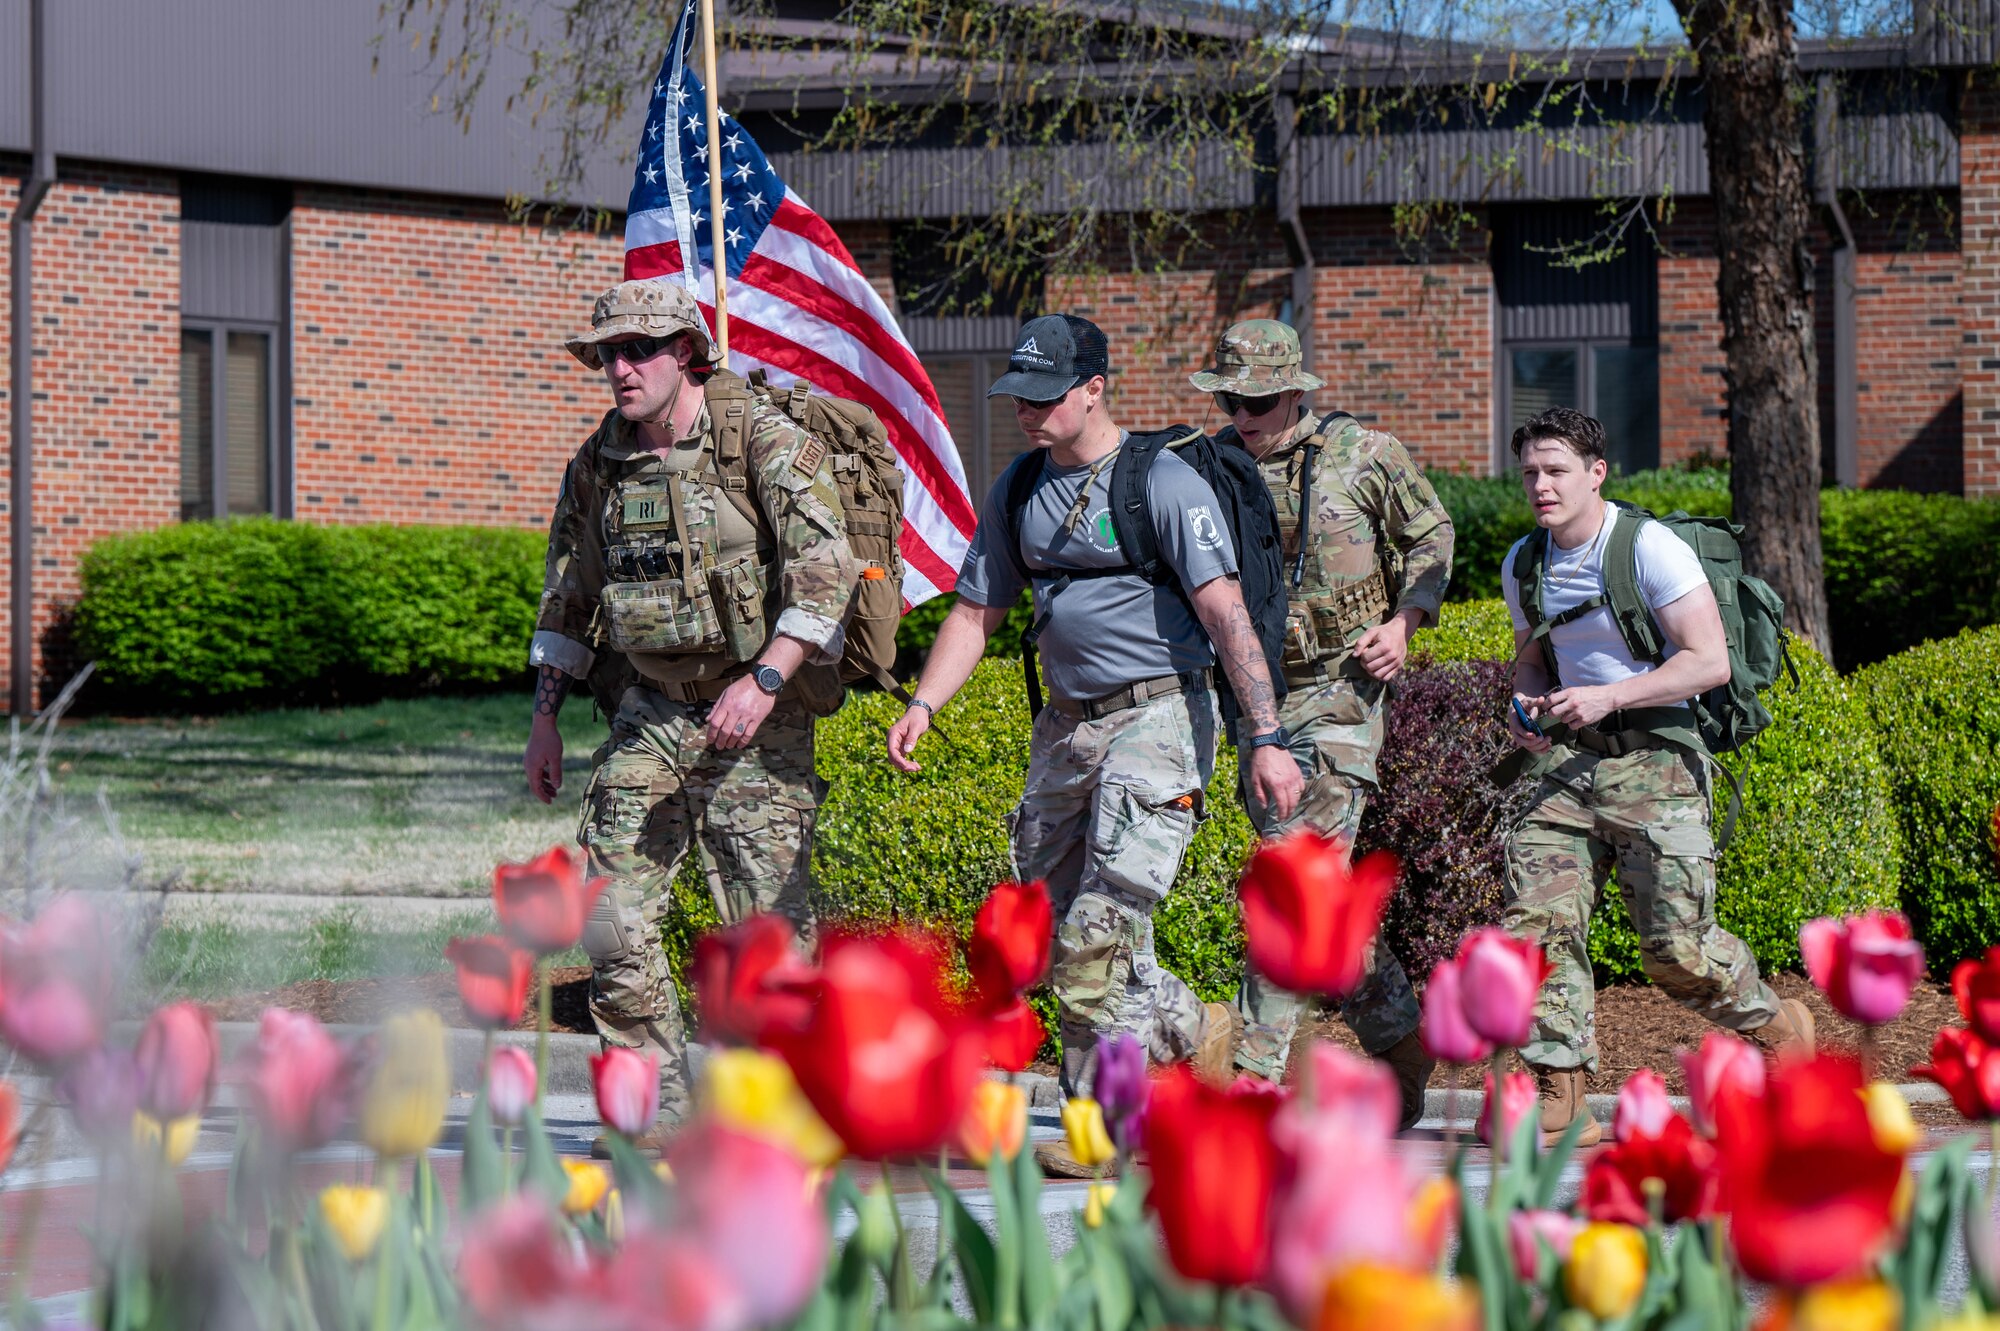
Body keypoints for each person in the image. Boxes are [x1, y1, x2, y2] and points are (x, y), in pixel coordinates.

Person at [885, 314, 1303, 1115]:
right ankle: (1191, 1027)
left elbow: (1227, 615)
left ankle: (1104, 1122)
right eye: (1019, 398)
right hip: (1067, 729)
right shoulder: (1019, 488)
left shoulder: (1162, 482)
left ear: (1094, 388)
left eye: (1047, 397)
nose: (1029, 412)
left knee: (1096, 935)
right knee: (1050, 930)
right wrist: (924, 703)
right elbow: (977, 613)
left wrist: (1266, 737)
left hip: (1158, 720)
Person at [525, 278, 857, 1151]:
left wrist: (769, 681)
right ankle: (651, 1110)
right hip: (651, 712)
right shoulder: (599, 462)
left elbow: (827, 568)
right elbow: (569, 595)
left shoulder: (763, 441)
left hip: (758, 716)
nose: (620, 369)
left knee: (769, 936)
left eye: (639, 351)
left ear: (687, 354)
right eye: (607, 354)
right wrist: (545, 718)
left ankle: (785, 1115)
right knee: (609, 911)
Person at [1500, 405, 1812, 1148]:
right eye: (1529, 474)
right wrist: (1521, 703)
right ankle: (1561, 1082)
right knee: (1535, 926)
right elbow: (1533, 657)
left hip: (1658, 761)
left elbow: (1710, 661)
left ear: (1596, 473)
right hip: (1571, 765)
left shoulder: (1649, 548)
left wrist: (1611, 693)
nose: (1541, 487)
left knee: (1676, 950)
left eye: (1555, 471)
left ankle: (1776, 1023)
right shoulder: (1525, 561)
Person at [1192, 319, 1454, 1130]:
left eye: (1261, 398)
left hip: (1340, 699)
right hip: (1257, 702)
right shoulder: (1208, 468)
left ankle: (1252, 1082)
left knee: (1289, 885)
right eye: (1232, 397)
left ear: (1298, 390)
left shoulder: (1365, 453)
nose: (1246, 412)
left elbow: (1432, 534)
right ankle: (1402, 1039)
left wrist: (1408, 621)